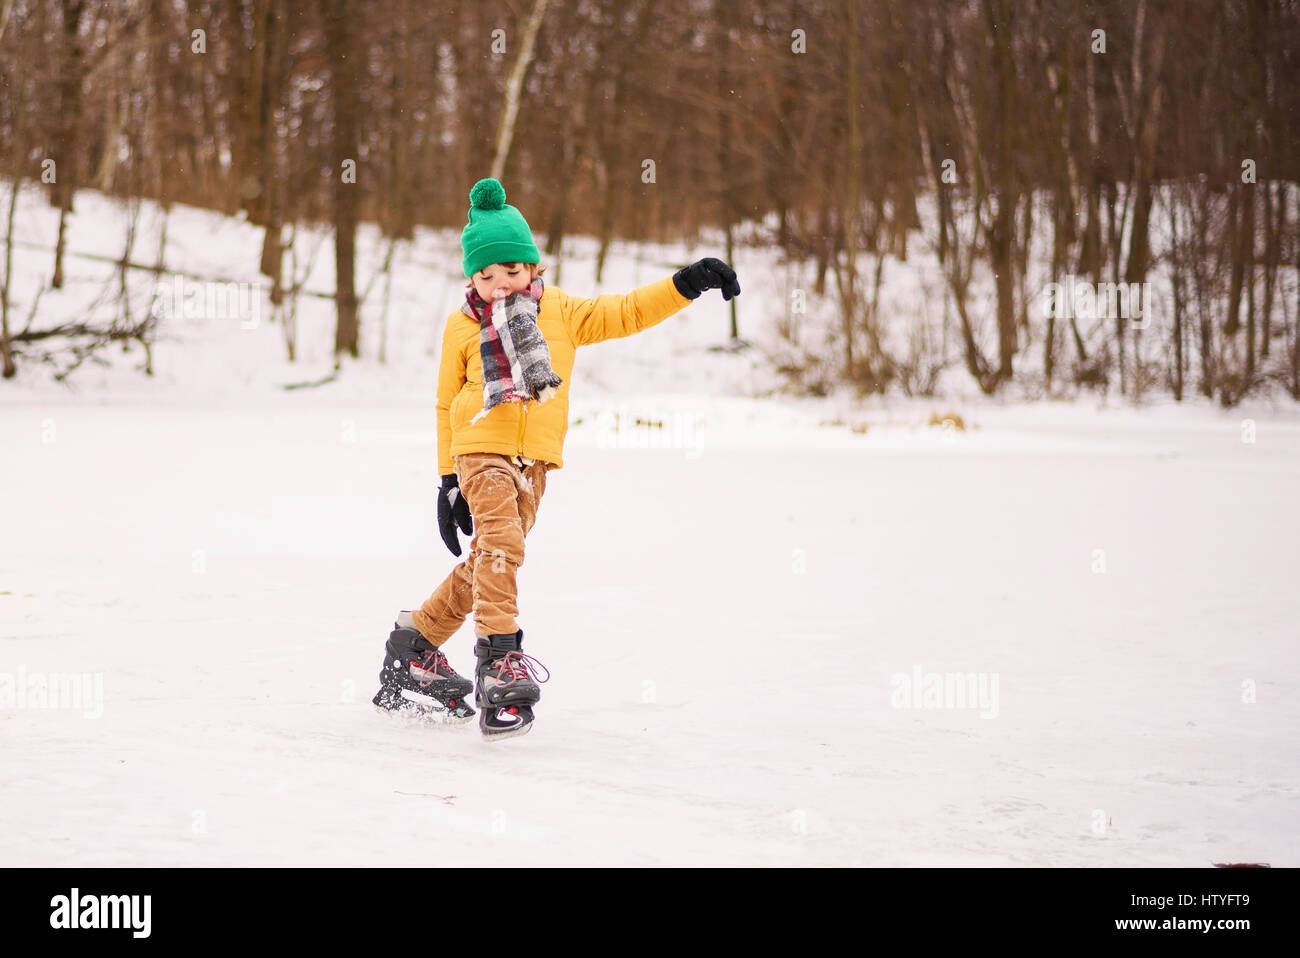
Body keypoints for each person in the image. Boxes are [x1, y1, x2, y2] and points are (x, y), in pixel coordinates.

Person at [372, 177, 740, 739]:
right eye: (486, 275)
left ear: (533, 267)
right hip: (479, 449)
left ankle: (413, 645)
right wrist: (448, 477)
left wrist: (685, 284)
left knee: (490, 561)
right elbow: (448, 400)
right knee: (501, 545)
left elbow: (626, 313)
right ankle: (499, 662)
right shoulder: (462, 325)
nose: (500, 285)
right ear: (471, 277)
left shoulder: (561, 312)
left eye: (512, 271)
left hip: (534, 464)